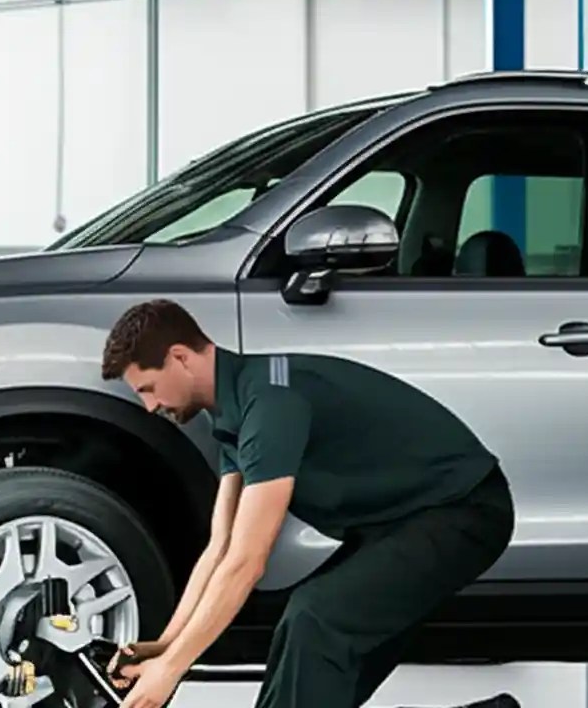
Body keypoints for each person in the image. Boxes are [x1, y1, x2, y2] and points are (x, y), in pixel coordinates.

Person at [98, 299, 515, 708]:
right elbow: (220, 549)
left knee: (315, 618)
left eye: (148, 389)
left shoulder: (270, 404)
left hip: (463, 509)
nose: (151, 407)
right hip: (400, 522)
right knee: (309, 651)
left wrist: (173, 668)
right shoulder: (234, 412)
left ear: (180, 357)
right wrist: (164, 647)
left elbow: (247, 562)